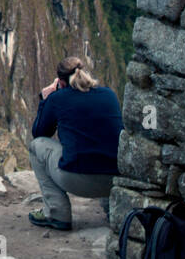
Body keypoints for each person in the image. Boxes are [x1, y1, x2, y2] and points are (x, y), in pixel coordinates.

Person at [28, 57, 122, 230]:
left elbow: (40, 133)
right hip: (114, 179)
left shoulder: (58, 98)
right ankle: (113, 210)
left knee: (37, 146)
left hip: (77, 180)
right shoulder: (109, 94)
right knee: (104, 143)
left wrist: (45, 99)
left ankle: (57, 214)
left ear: (61, 83)